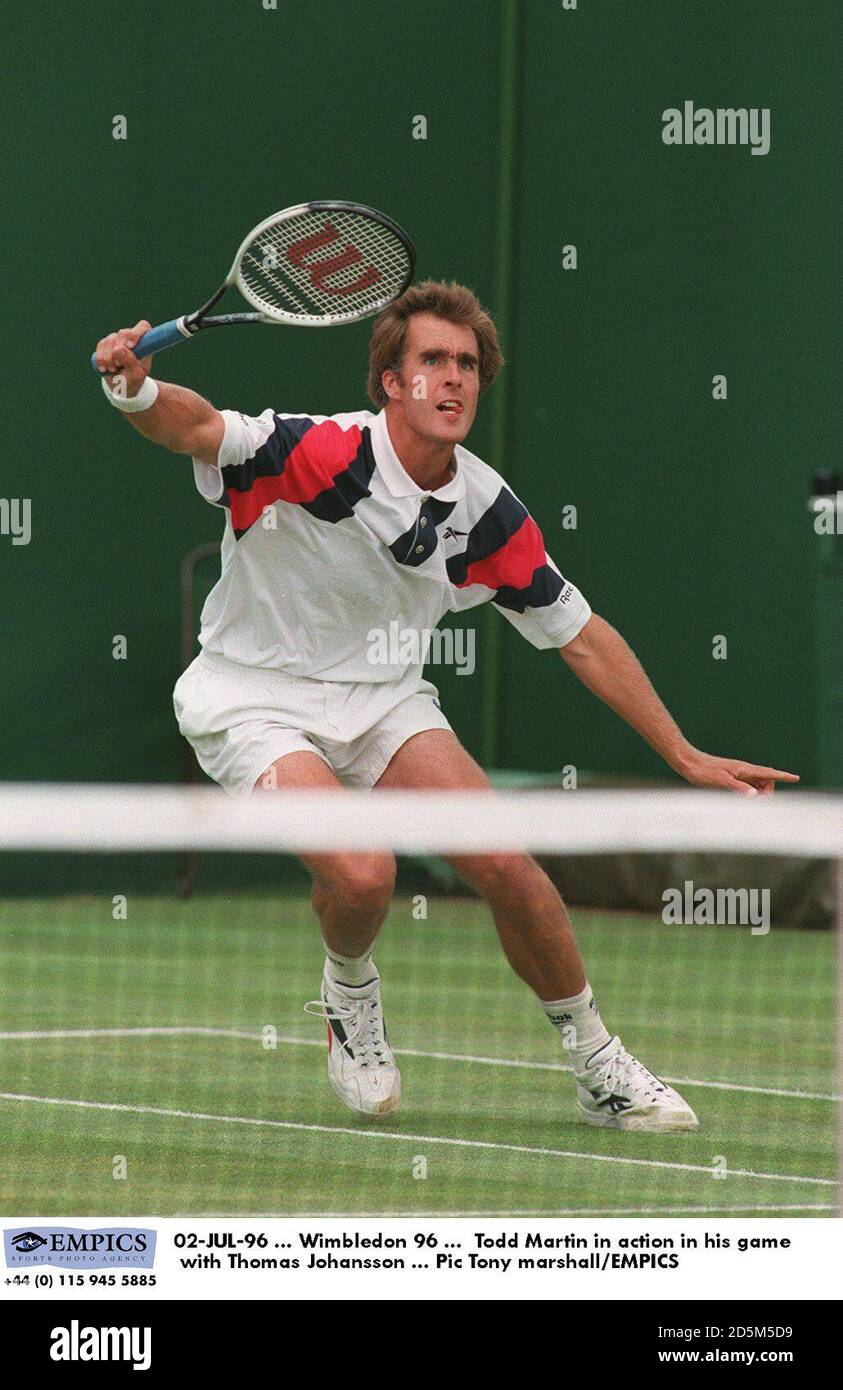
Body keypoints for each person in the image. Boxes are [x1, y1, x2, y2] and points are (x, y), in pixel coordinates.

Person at [95, 281, 798, 1132]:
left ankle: (597, 1060)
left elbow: (579, 635)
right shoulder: (311, 450)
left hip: (384, 700)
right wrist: (130, 386)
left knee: (509, 867)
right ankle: (348, 994)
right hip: (251, 696)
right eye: (432, 360)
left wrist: (682, 752)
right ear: (390, 381)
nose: (453, 378)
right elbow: (195, 426)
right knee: (364, 874)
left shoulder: (485, 511)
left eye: (466, 364)